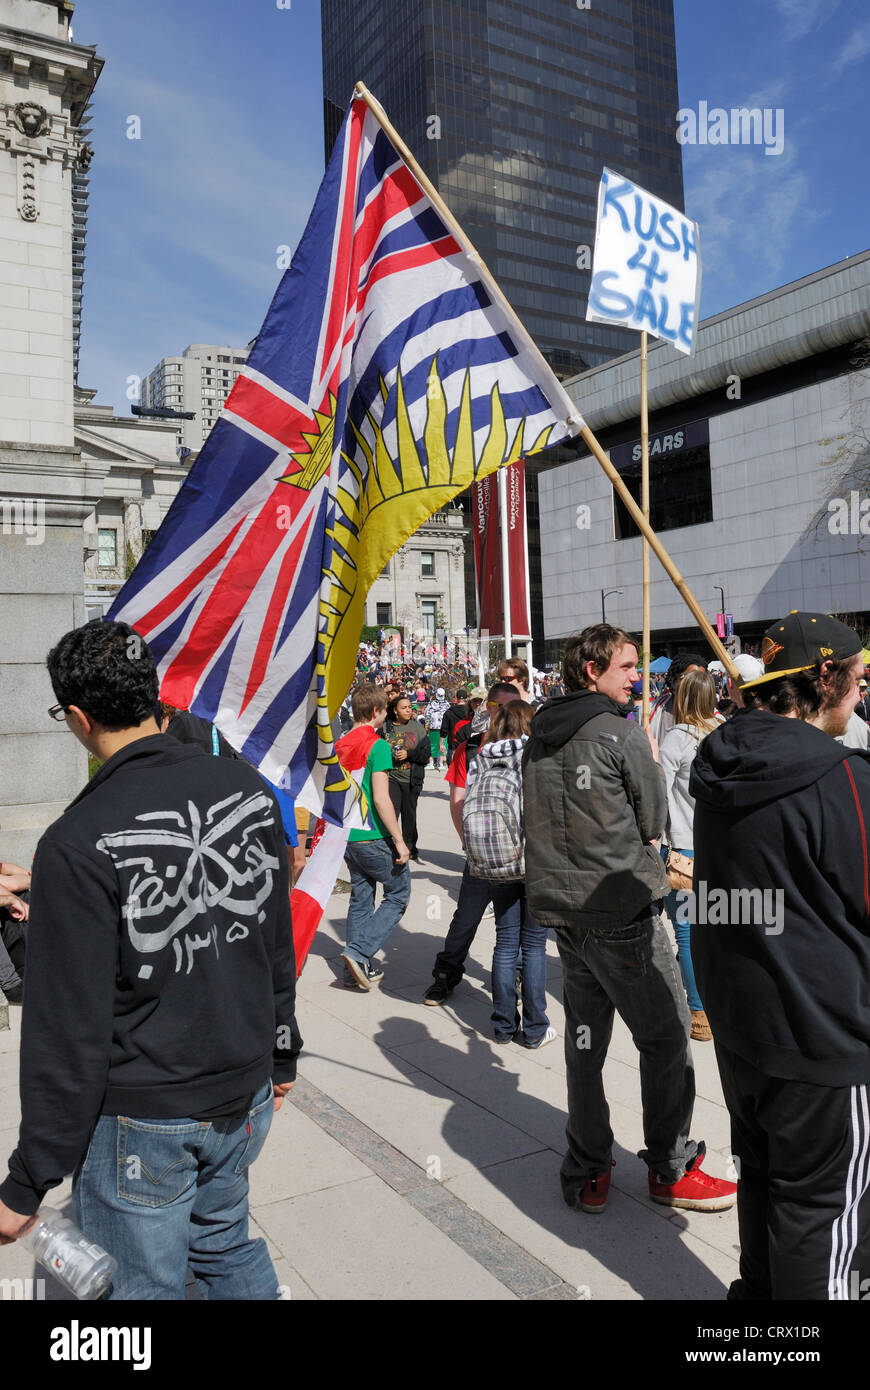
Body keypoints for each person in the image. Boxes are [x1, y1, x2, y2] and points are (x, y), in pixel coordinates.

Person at [0, 620, 300, 1300]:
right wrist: (283, 1051)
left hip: (146, 1116)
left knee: (137, 1291)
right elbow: (271, 938)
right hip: (242, 1087)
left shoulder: (78, 839)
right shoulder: (245, 789)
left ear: (77, 716)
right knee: (224, 1246)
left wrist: (27, 1181)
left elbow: (64, 1033)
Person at [522, 624, 737, 1215]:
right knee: (666, 1037)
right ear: (591, 671)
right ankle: (669, 1165)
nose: (636, 676)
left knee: (585, 1043)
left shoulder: (537, 734)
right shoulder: (617, 733)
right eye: (625, 666)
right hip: (621, 912)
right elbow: (655, 817)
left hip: (564, 912)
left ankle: (588, 1165)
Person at [690, 611, 870, 1300]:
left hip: (748, 1029)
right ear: (823, 677)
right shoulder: (837, 776)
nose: (861, 691)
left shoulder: (724, 763)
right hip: (824, 1039)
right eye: (856, 678)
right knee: (824, 1212)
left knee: (767, 1180)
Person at [463, 700, 555, 1048]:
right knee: (533, 946)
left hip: (495, 861)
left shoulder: (482, 757)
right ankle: (534, 1029)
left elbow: (465, 802)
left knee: (505, 942)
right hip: (532, 860)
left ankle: (502, 1026)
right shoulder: (536, 754)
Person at [422, 683, 519, 1005]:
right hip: (486, 852)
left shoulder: (524, 748)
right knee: (468, 917)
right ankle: (447, 973)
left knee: (507, 922)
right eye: (506, 707)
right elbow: (456, 801)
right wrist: (468, 843)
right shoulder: (473, 747)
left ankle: (508, 980)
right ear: (489, 708)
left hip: (518, 853)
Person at [658, 668, 721, 1042]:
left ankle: (699, 1013)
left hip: (685, 848)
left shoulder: (676, 740)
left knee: (687, 934)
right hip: (721, 846)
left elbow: (659, 798)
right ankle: (712, 1002)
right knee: (714, 930)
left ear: (681, 700)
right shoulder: (724, 732)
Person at [341, 684, 411, 990]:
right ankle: (358, 953)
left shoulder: (340, 744)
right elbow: (382, 799)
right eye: (384, 710)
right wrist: (399, 839)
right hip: (373, 833)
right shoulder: (378, 745)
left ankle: (353, 971)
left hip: (347, 834)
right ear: (376, 712)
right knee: (398, 893)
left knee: (361, 898)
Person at [384, 693, 430, 862]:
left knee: (409, 815)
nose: (408, 710)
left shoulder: (417, 728)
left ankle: (410, 846)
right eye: (404, 708)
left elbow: (425, 755)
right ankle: (393, 845)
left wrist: (408, 753)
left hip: (411, 779)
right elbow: (377, 749)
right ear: (395, 711)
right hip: (391, 777)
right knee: (392, 812)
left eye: (410, 707)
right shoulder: (386, 728)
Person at [649, 651, 707, 742]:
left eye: (701, 678)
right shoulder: (649, 711)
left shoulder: (714, 719)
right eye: (690, 678)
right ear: (674, 679)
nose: (696, 683)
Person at [423, 686, 451, 770]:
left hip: (433, 726)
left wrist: (427, 724)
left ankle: (432, 762)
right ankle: (441, 763)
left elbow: (427, 715)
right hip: (444, 727)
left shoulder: (431, 704)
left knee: (433, 744)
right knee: (442, 744)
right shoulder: (447, 704)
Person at [440, 687, 469, 760]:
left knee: (452, 769)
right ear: (466, 698)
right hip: (467, 744)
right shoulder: (470, 712)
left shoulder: (449, 712)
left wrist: (441, 743)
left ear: (456, 698)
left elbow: (444, 729)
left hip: (453, 745)